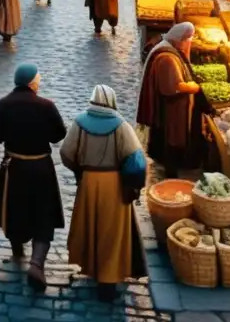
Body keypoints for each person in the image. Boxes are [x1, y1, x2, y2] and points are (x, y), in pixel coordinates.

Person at [0, 64, 66, 288]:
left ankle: (17, 252)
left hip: (13, 168)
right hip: (41, 168)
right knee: (43, 215)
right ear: (32, 83)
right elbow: (58, 135)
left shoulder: (2, 106)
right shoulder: (47, 106)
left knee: (14, 210)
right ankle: (36, 264)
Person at [60, 85, 147, 302]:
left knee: (90, 226)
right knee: (111, 231)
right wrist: (134, 186)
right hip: (114, 184)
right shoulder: (121, 125)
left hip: (89, 182)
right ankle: (107, 280)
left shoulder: (79, 122)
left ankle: (91, 266)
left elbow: (66, 153)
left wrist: (80, 170)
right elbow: (136, 160)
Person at [136, 22, 206, 177]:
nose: (190, 43)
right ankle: (171, 174)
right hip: (172, 112)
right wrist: (193, 87)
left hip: (174, 110)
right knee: (172, 141)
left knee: (173, 141)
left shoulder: (169, 50)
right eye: (188, 40)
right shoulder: (167, 58)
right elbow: (172, 87)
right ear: (179, 39)